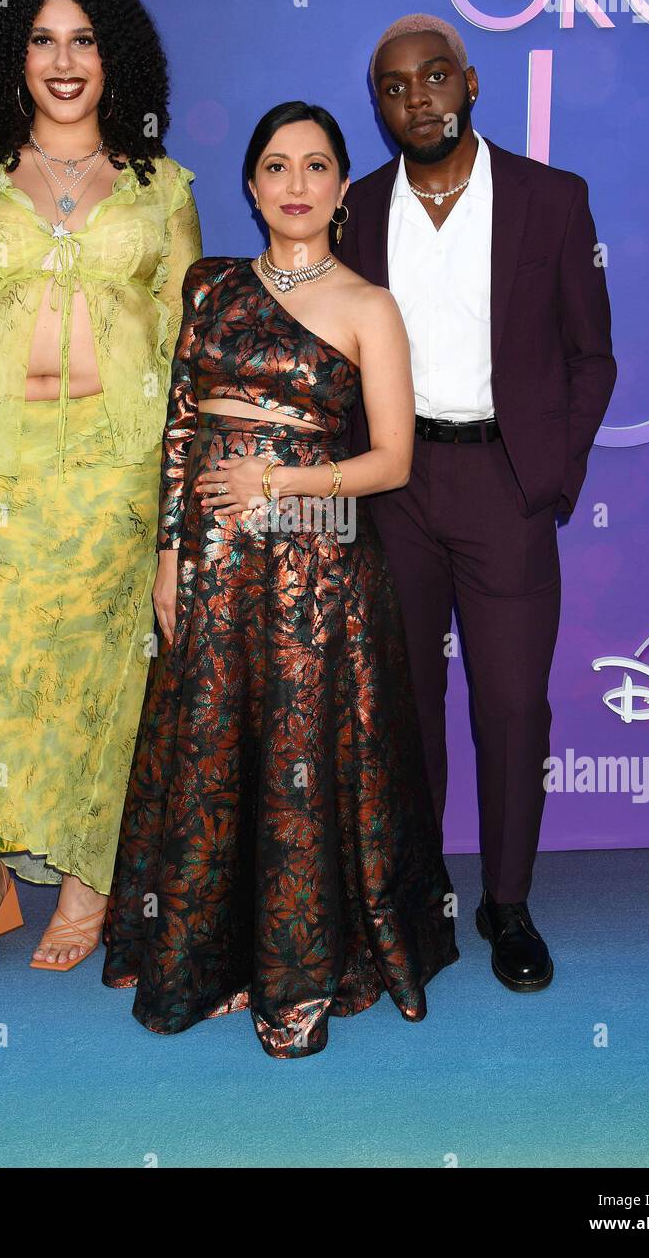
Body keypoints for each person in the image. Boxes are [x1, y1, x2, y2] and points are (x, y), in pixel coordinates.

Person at [102, 101, 459, 1058]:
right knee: (218, 753)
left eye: (315, 167)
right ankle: (211, 962)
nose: (295, 184)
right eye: (276, 166)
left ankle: (298, 974)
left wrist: (282, 479)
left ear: (343, 188)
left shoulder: (368, 306)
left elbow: (392, 461)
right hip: (214, 565)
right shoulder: (210, 287)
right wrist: (172, 557)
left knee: (299, 754)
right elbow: (183, 431)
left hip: (316, 561)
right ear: (252, 186)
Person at [0, 0, 202, 986]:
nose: (64, 61)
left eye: (83, 40)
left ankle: (87, 883)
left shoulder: (164, 189)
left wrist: (171, 511)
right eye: (42, 40)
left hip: (114, 484)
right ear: (13, 58)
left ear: (113, 56)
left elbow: (183, 356)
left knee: (101, 689)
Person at [334, 14, 617, 992]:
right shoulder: (355, 211)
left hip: (504, 484)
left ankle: (506, 904)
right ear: (378, 105)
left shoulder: (550, 199)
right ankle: (416, 897)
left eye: (434, 77)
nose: (416, 98)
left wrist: (549, 474)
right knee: (403, 709)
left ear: (470, 83)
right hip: (397, 487)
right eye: (394, 87)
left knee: (508, 707)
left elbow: (592, 357)